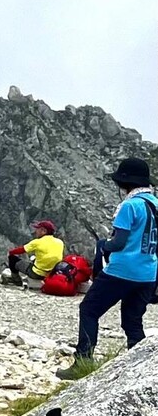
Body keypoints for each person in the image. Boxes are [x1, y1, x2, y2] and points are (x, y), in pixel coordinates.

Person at [57, 157, 157, 379]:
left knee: (89, 309)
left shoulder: (130, 206)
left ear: (124, 183)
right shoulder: (155, 204)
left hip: (122, 270)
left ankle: (82, 361)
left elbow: (119, 243)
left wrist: (104, 245)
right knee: (132, 321)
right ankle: (139, 370)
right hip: (148, 273)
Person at [7, 220, 64, 286]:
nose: (35, 231)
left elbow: (21, 250)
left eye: (38, 229)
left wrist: (10, 252)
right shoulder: (60, 242)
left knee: (13, 259)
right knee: (36, 259)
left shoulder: (37, 242)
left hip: (37, 274)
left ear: (44, 231)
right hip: (52, 274)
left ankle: (16, 280)